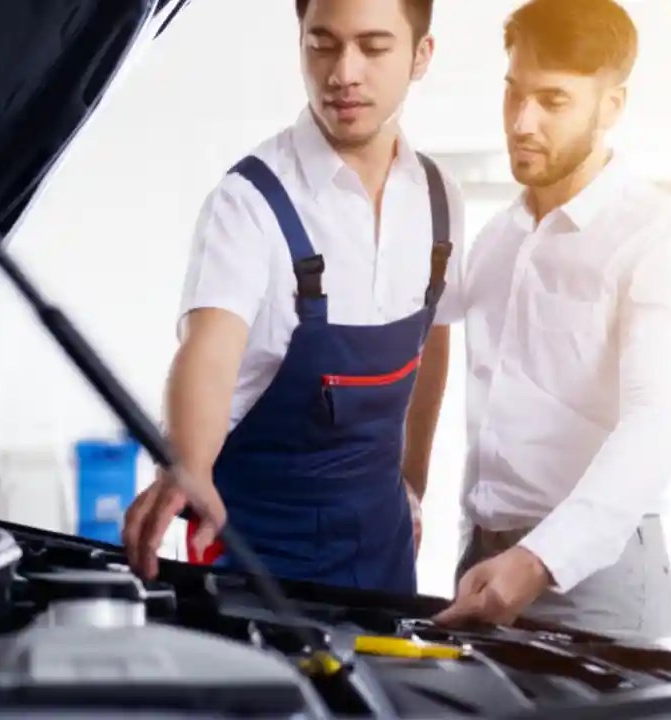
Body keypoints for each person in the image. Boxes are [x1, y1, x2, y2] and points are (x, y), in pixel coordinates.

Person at [121, 0, 464, 594]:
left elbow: (432, 339)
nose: (343, 72)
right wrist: (189, 463)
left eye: (374, 48)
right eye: (322, 44)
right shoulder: (249, 201)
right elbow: (209, 347)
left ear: (421, 56)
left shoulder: (438, 195)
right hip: (257, 560)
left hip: (383, 554)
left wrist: (414, 483)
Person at [435, 0, 671, 637]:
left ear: (610, 107)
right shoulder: (496, 240)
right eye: (513, 95)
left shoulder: (656, 235)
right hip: (483, 558)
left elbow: (658, 421)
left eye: (553, 102)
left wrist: (539, 558)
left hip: (593, 576)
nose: (522, 123)